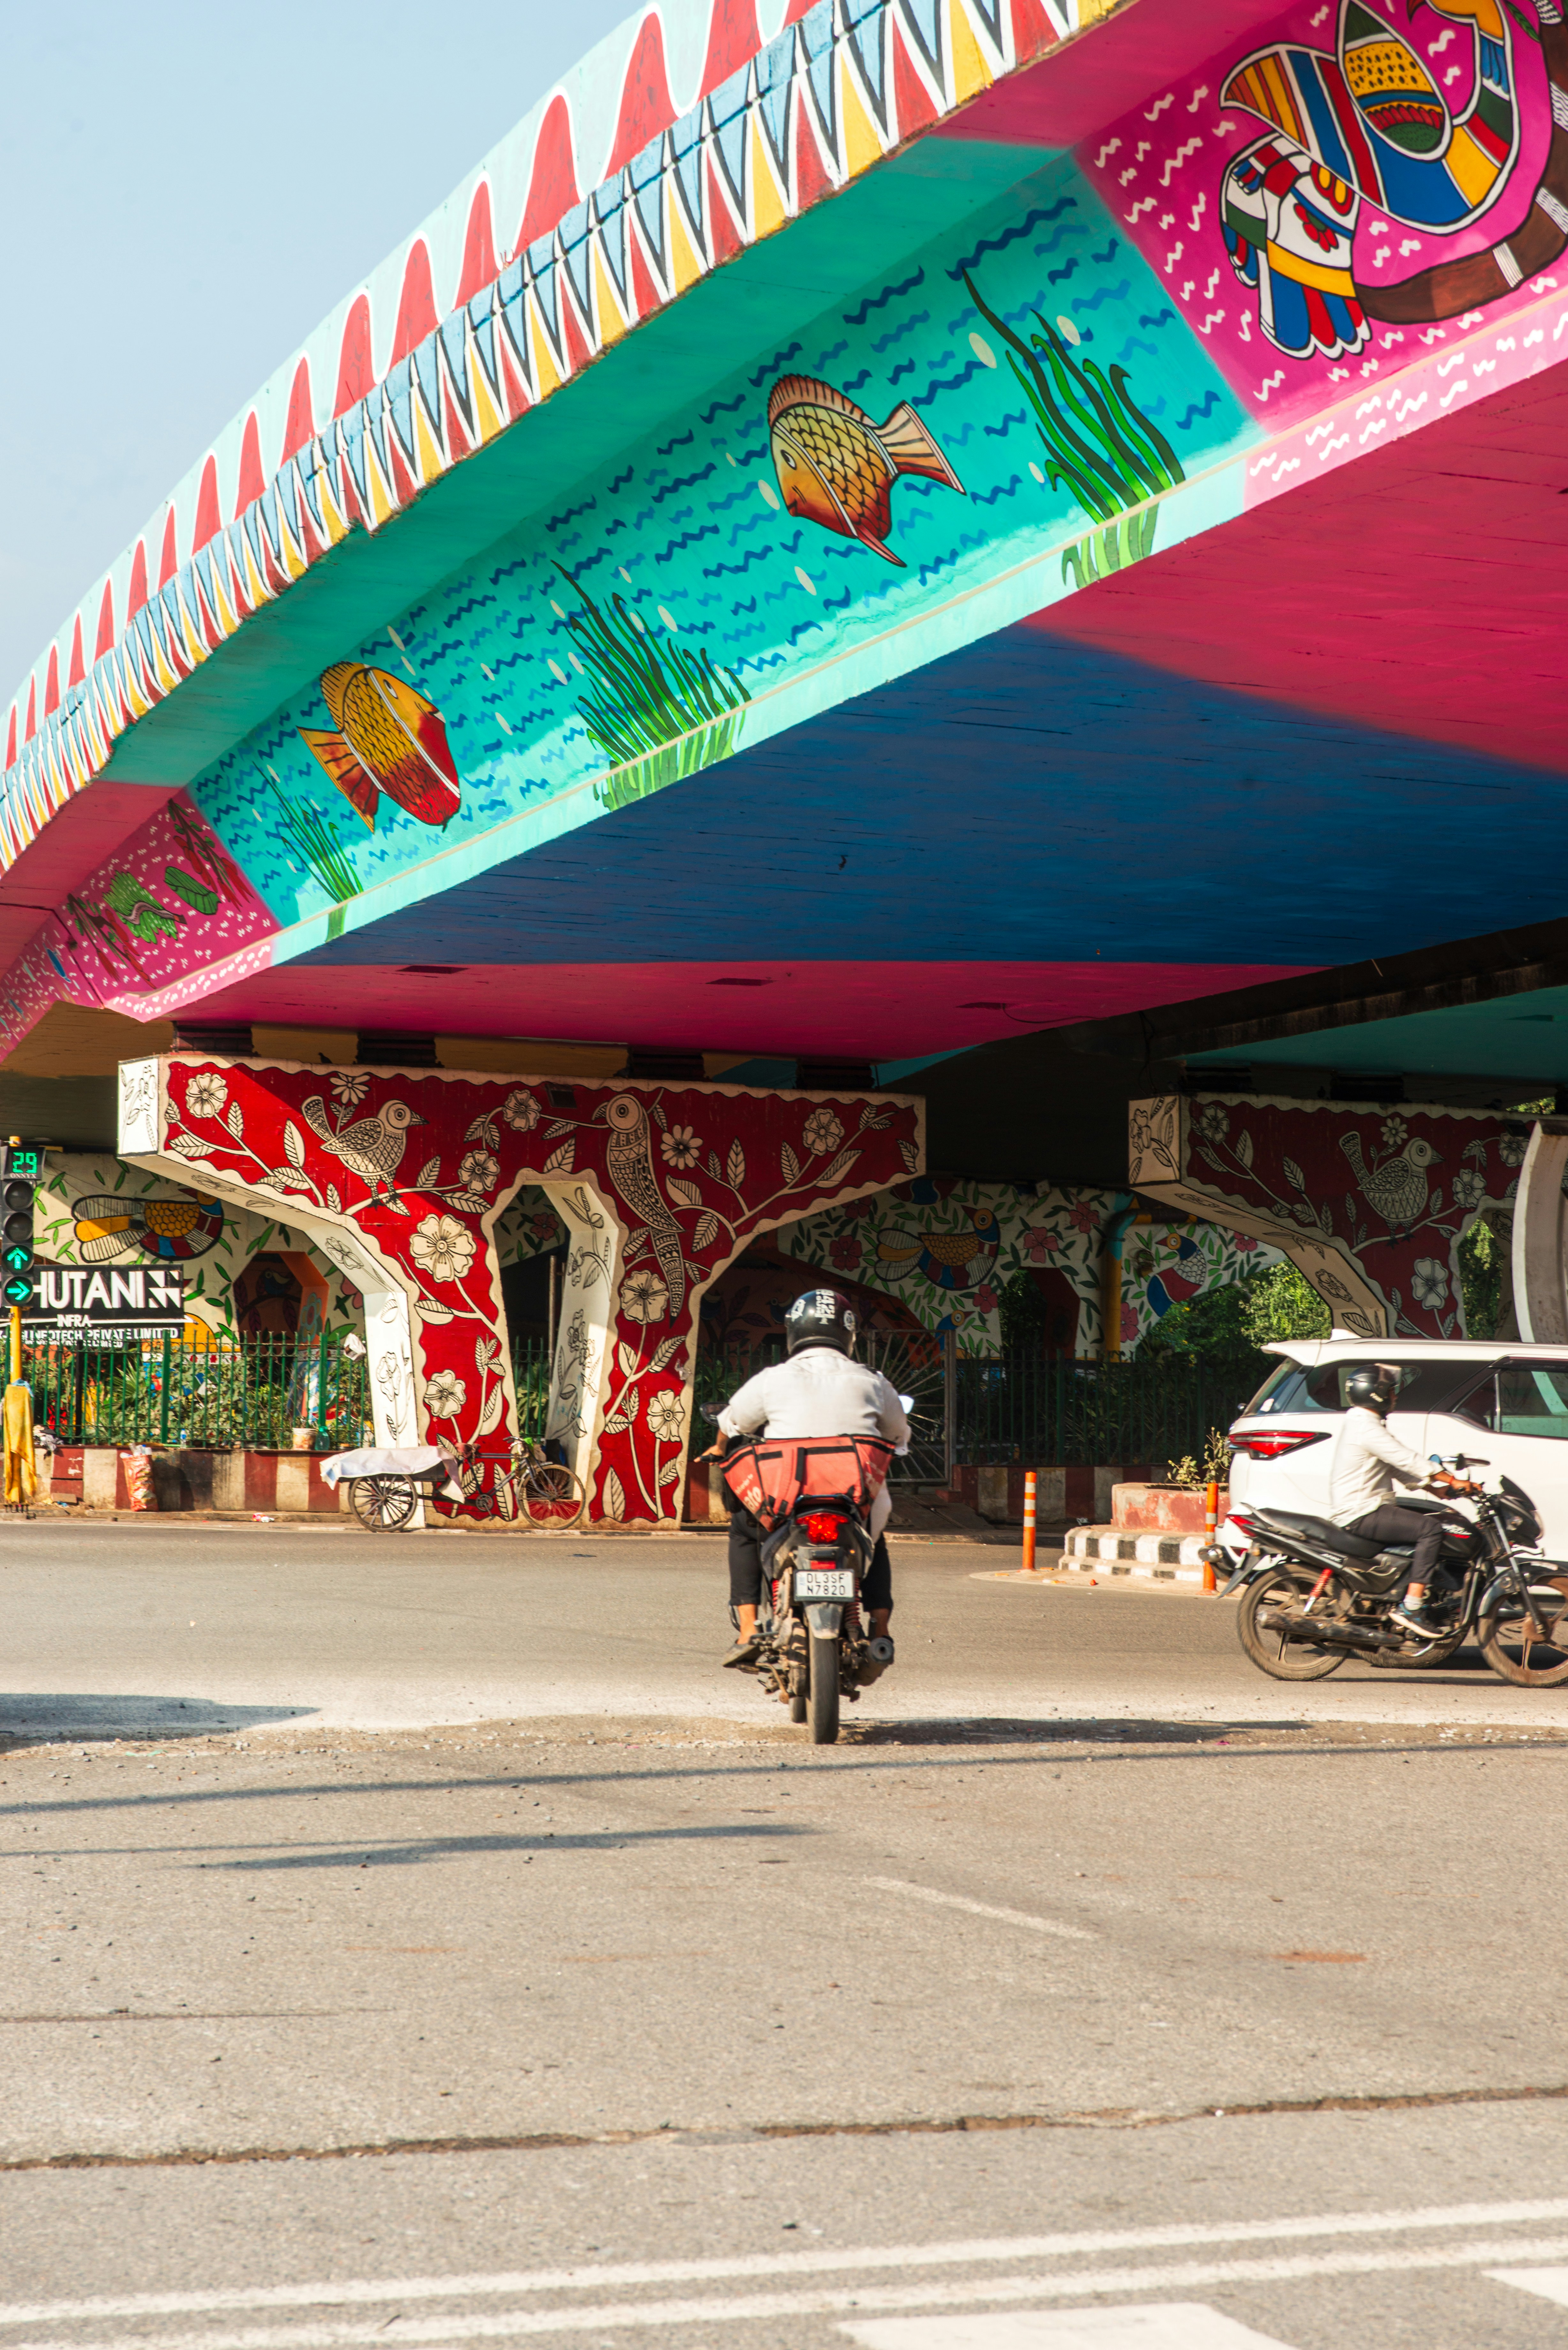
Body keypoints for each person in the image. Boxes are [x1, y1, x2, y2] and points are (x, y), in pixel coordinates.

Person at [712, 1288, 909, 1667]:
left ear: (794, 1332)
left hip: (787, 1499)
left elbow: (732, 1419)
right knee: (875, 1538)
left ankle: (749, 1628)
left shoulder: (772, 1379)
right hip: (851, 1499)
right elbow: (899, 1433)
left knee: (742, 1528)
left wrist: (721, 1443)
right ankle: (880, 1630)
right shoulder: (872, 1380)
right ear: (848, 1333)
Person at [1327, 1361, 1470, 1639]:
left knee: (1429, 1519)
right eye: (1392, 1391)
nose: (1395, 1396)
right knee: (1431, 1530)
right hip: (1362, 1512)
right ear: (1376, 1395)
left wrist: (1435, 1489)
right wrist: (1451, 1480)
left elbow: (1394, 1467)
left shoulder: (1364, 1424)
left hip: (1367, 1507)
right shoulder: (1366, 1428)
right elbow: (1405, 1458)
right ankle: (1411, 1608)